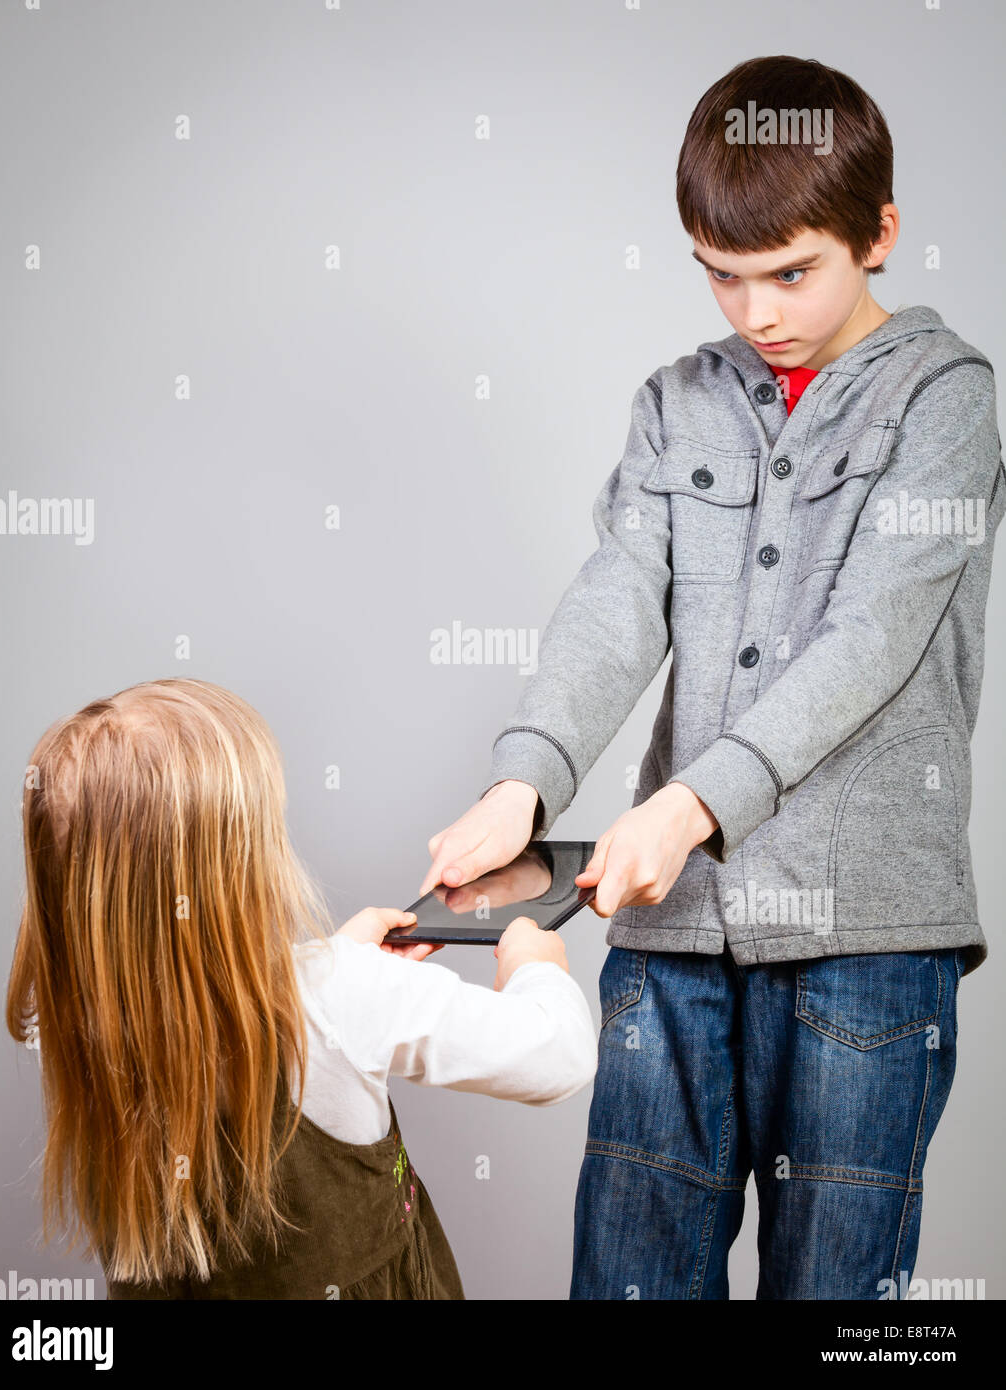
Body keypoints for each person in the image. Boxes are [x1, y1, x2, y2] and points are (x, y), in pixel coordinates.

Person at [420, 55, 1003, 1299]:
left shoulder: (947, 403)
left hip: (868, 941)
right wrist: (523, 786)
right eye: (723, 276)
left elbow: (874, 639)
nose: (757, 313)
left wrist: (689, 805)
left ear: (880, 234)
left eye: (792, 271)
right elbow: (618, 601)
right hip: (671, 931)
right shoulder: (676, 403)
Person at [6, 678, 596, 1299]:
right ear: (237, 867)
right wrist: (536, 964)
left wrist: (334, 958)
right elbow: (559, 1058)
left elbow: (197, 985)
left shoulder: (59, 1014)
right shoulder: (346, 995)